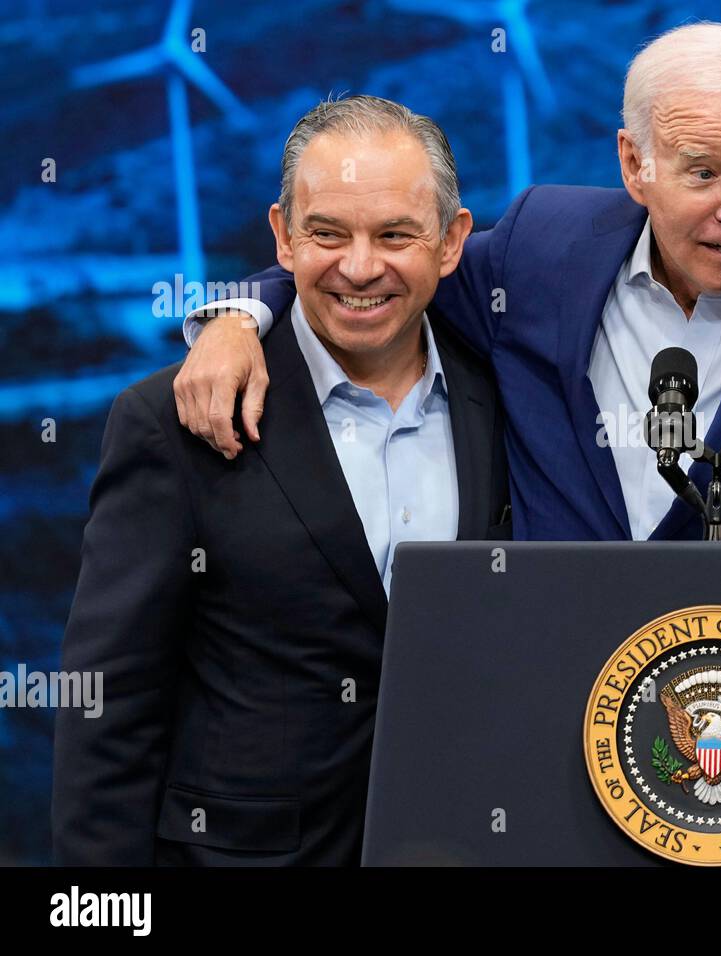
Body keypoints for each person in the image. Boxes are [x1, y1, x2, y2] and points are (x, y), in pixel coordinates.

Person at [177, 22, 721, 543]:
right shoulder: (541, 251)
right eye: (703, 173)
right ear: (635, 164)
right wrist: (239, 316)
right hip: (542, 737)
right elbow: (377, 270)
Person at [52, 95, 510, 865]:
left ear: (453, 241)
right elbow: (110, 700)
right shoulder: (175, 420)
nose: (359, 267)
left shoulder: (508, 400)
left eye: (396, 234)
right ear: (282, 236)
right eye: (327, 233)